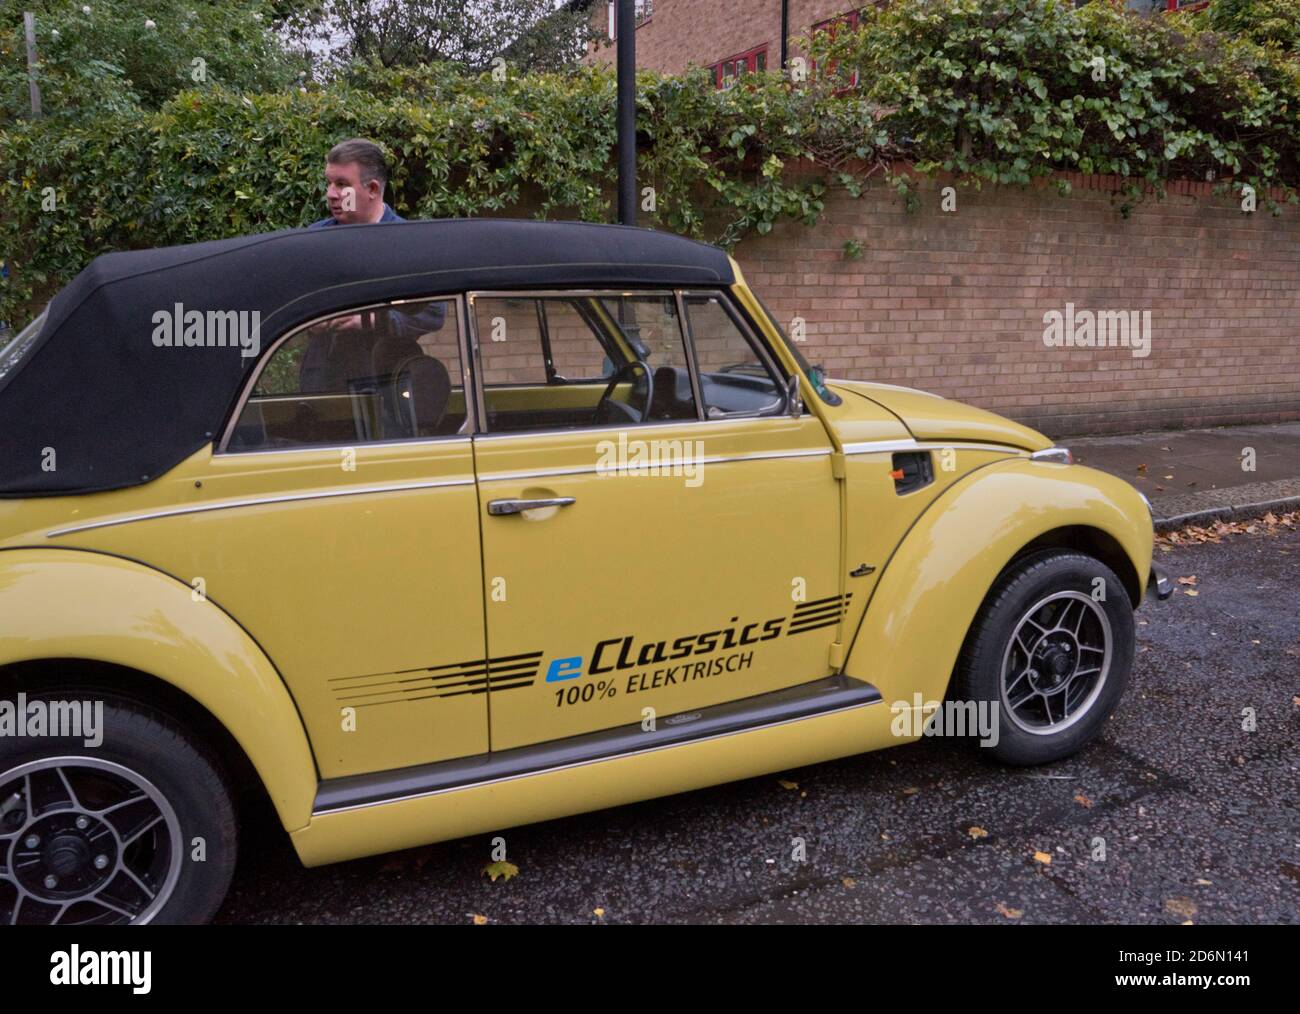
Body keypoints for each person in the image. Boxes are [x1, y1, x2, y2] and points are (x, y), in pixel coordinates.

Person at [309, 138, 405, 228]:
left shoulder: (407, 240)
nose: (330, 194)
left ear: (372, 189)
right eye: (329, 183)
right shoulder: (315, 237)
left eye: (342, 184)